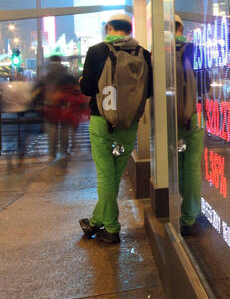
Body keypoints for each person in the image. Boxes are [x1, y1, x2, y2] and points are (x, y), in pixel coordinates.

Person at [78, 16, 152, 244]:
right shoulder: (143, 54)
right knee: (114, 176)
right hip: (128, 125)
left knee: (105, 175)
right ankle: (96, 220)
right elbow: (148, 90)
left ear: (109, 28)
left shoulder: (97, 51)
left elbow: (88, 88)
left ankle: (111, 228)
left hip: (102, 122)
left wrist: (82, 80)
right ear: (129, 30)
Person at [174, 14, 206, 237]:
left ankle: (178, 210)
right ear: (181, 28)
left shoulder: (156, 53)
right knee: (192, 165)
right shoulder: (194, 50)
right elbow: (204, 86)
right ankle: (190, 216)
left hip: (168, 118)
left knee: (177, 163)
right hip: (192, 115)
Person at [39, 55, 79, 158]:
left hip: (49, 107)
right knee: (65, 129)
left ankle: (52, 153)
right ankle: (63, 151)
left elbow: (38, 91)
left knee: (52, 130)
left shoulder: (45, 77)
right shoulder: (67, 76)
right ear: (60, 62)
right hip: (64, 107)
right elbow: (76, 89)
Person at [1, 72, 35, 168]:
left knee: (8, 139)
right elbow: (28, 100)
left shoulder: (5, 86)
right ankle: (20, 163)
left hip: (8, 114)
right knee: (22, 140)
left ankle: (9, 163)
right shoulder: (26, 86)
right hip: (22, 114)